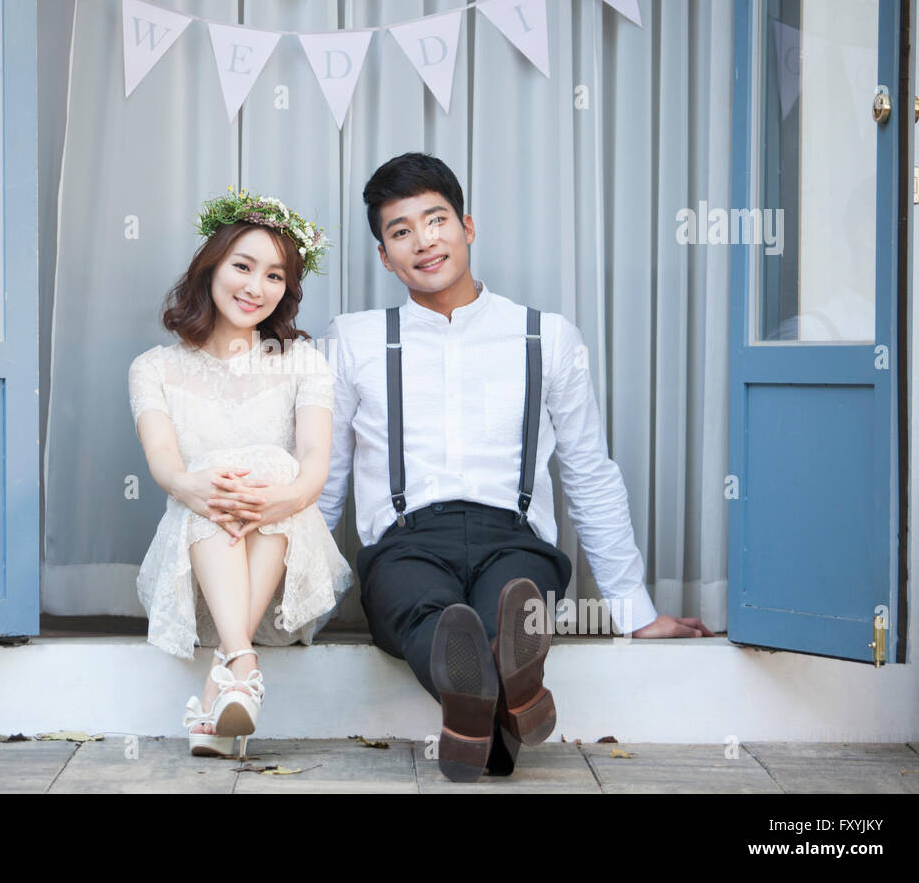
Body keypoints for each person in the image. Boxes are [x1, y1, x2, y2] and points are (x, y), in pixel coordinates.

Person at [318, 152, 713, 782]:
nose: (424, 241)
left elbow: (589, 472)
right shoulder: (352, 340)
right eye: (401, 231)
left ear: (467, 227)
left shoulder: (546, 337)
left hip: (514, 538)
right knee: (425, 613)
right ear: (385, 257)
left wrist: (634, 611)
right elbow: (325, 479)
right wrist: (297, 609)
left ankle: (490, 684)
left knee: (511, 605)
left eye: (436, 220)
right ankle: (508, 699)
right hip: (405, 544)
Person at [128, 188, 353, 758]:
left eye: (275, 276)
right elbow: (165, 464)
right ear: (211, 266)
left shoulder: (303, 363)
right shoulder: (154, 368)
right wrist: (192, 486)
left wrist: (283, 499)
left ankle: (230, 675)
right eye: (243, 266)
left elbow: (314, 463)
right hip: (194, 581)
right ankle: (239, 667)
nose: (257, 287)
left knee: (275, 464)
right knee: (210, 472)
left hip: (281, 587)